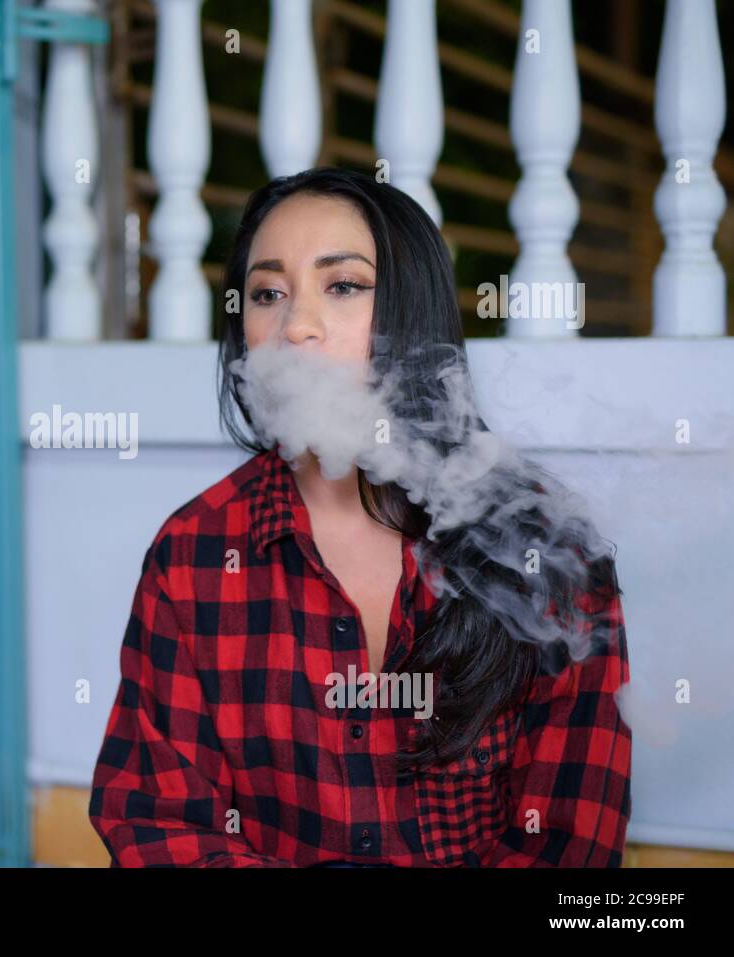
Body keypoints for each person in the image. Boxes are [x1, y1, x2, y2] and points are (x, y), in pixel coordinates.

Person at [88, 167, 631, 867]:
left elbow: (568, 845)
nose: (296, 326)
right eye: (266, 293)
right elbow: (157, 821)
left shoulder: (549, 551)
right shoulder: (194, 551)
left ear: (414, 313)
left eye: (342, 285)